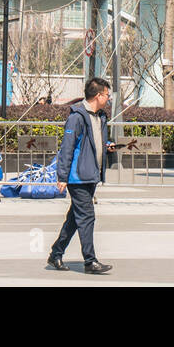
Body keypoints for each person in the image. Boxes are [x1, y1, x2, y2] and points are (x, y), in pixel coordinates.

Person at [48, 77, 118, 274]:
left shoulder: (100, 117)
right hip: (77, 176)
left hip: (91, 173)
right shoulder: (77, 116)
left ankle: (56, 254)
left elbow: (93, 142)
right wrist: (62, 176)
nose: (108, 99)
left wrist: (106, 147)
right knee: (87, 216)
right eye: (107, 95)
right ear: (97, 95)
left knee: (75, 218)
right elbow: (67, 148)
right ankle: (90, 260)